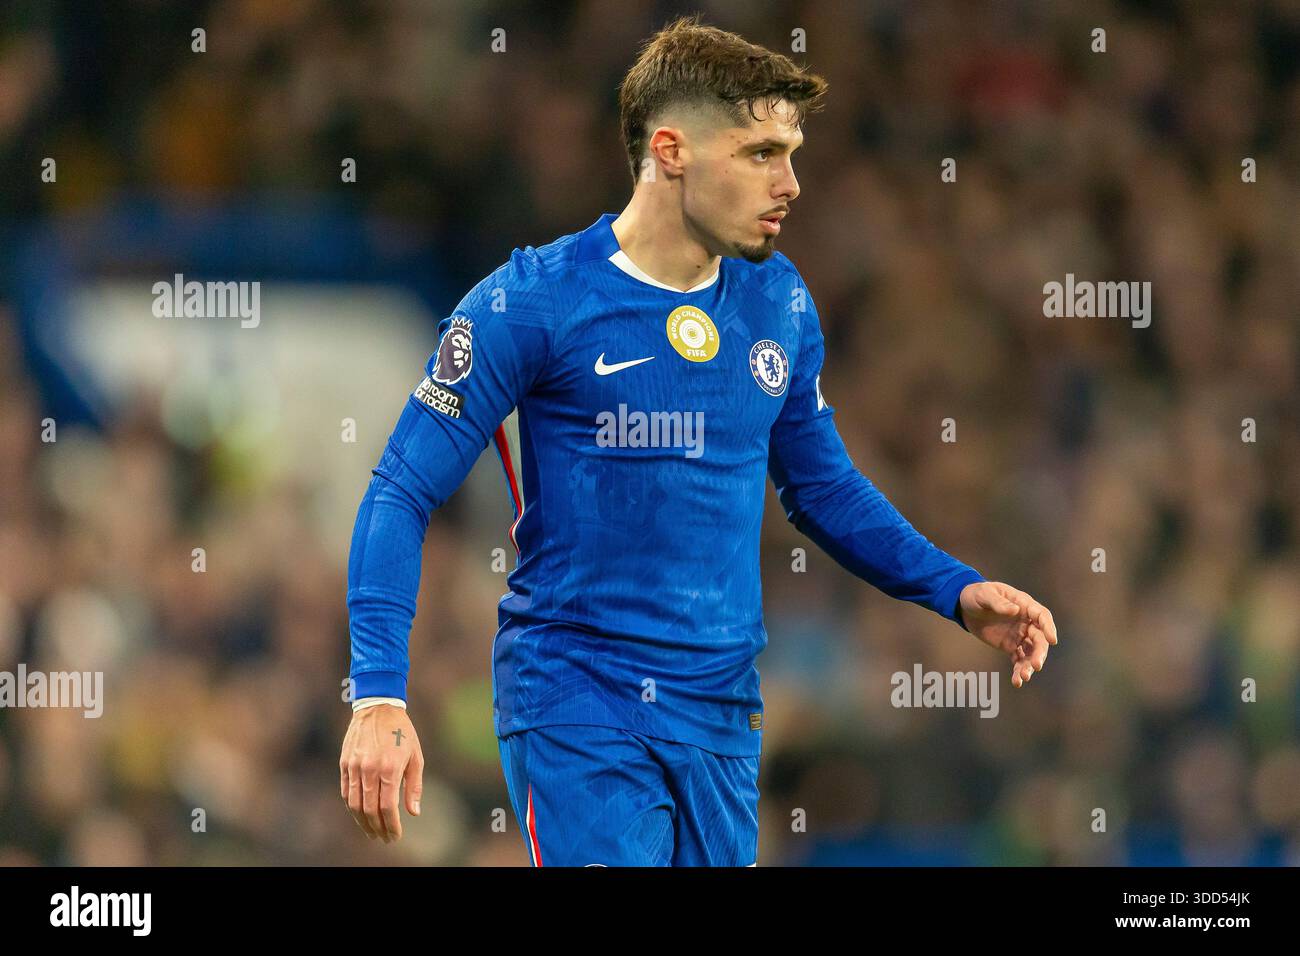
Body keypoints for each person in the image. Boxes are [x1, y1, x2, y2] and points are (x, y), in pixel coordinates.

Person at [339, 15, 1058, 866]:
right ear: (671, 151)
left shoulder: (777, 303)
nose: (789, 183)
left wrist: (956, 589)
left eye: (793, 155)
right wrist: (379, 693)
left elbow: (820, 487)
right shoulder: (531, 302)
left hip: (722, 714)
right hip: (579, 695)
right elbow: (401, 489)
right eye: (761, 154)